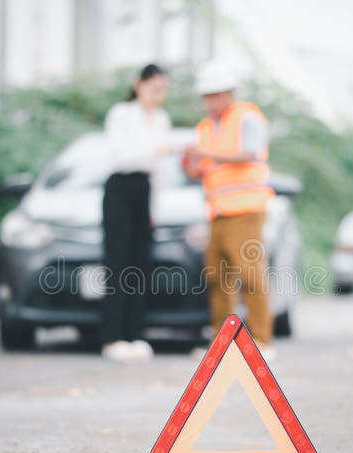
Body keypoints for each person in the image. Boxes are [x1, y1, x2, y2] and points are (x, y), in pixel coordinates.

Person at [183, 60, 277, 361]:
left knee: (250, 273)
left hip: (246, 210)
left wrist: (207, 154)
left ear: (229, 94)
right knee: (218, 277)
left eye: (216, 96)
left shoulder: (247, 117)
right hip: (218, 212)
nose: (211, 103)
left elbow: (250, 153)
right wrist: (190, 163)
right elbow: (202, 169)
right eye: (207, 97)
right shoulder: (205, 128)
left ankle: (261, 341)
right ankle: (222, 343)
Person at [101, 64, 171, 363]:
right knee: (117, 263)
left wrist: (155, 209)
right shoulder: (121, 114)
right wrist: (155, 150)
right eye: (154, 88)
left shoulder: (162, 118)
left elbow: (160, 171)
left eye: (163, 90)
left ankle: (134, 335)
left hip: (145, 189)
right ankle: (112, 337)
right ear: (138, 85)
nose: (158, 95)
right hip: (120, 188)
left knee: (140, 266)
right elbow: (121, 157)